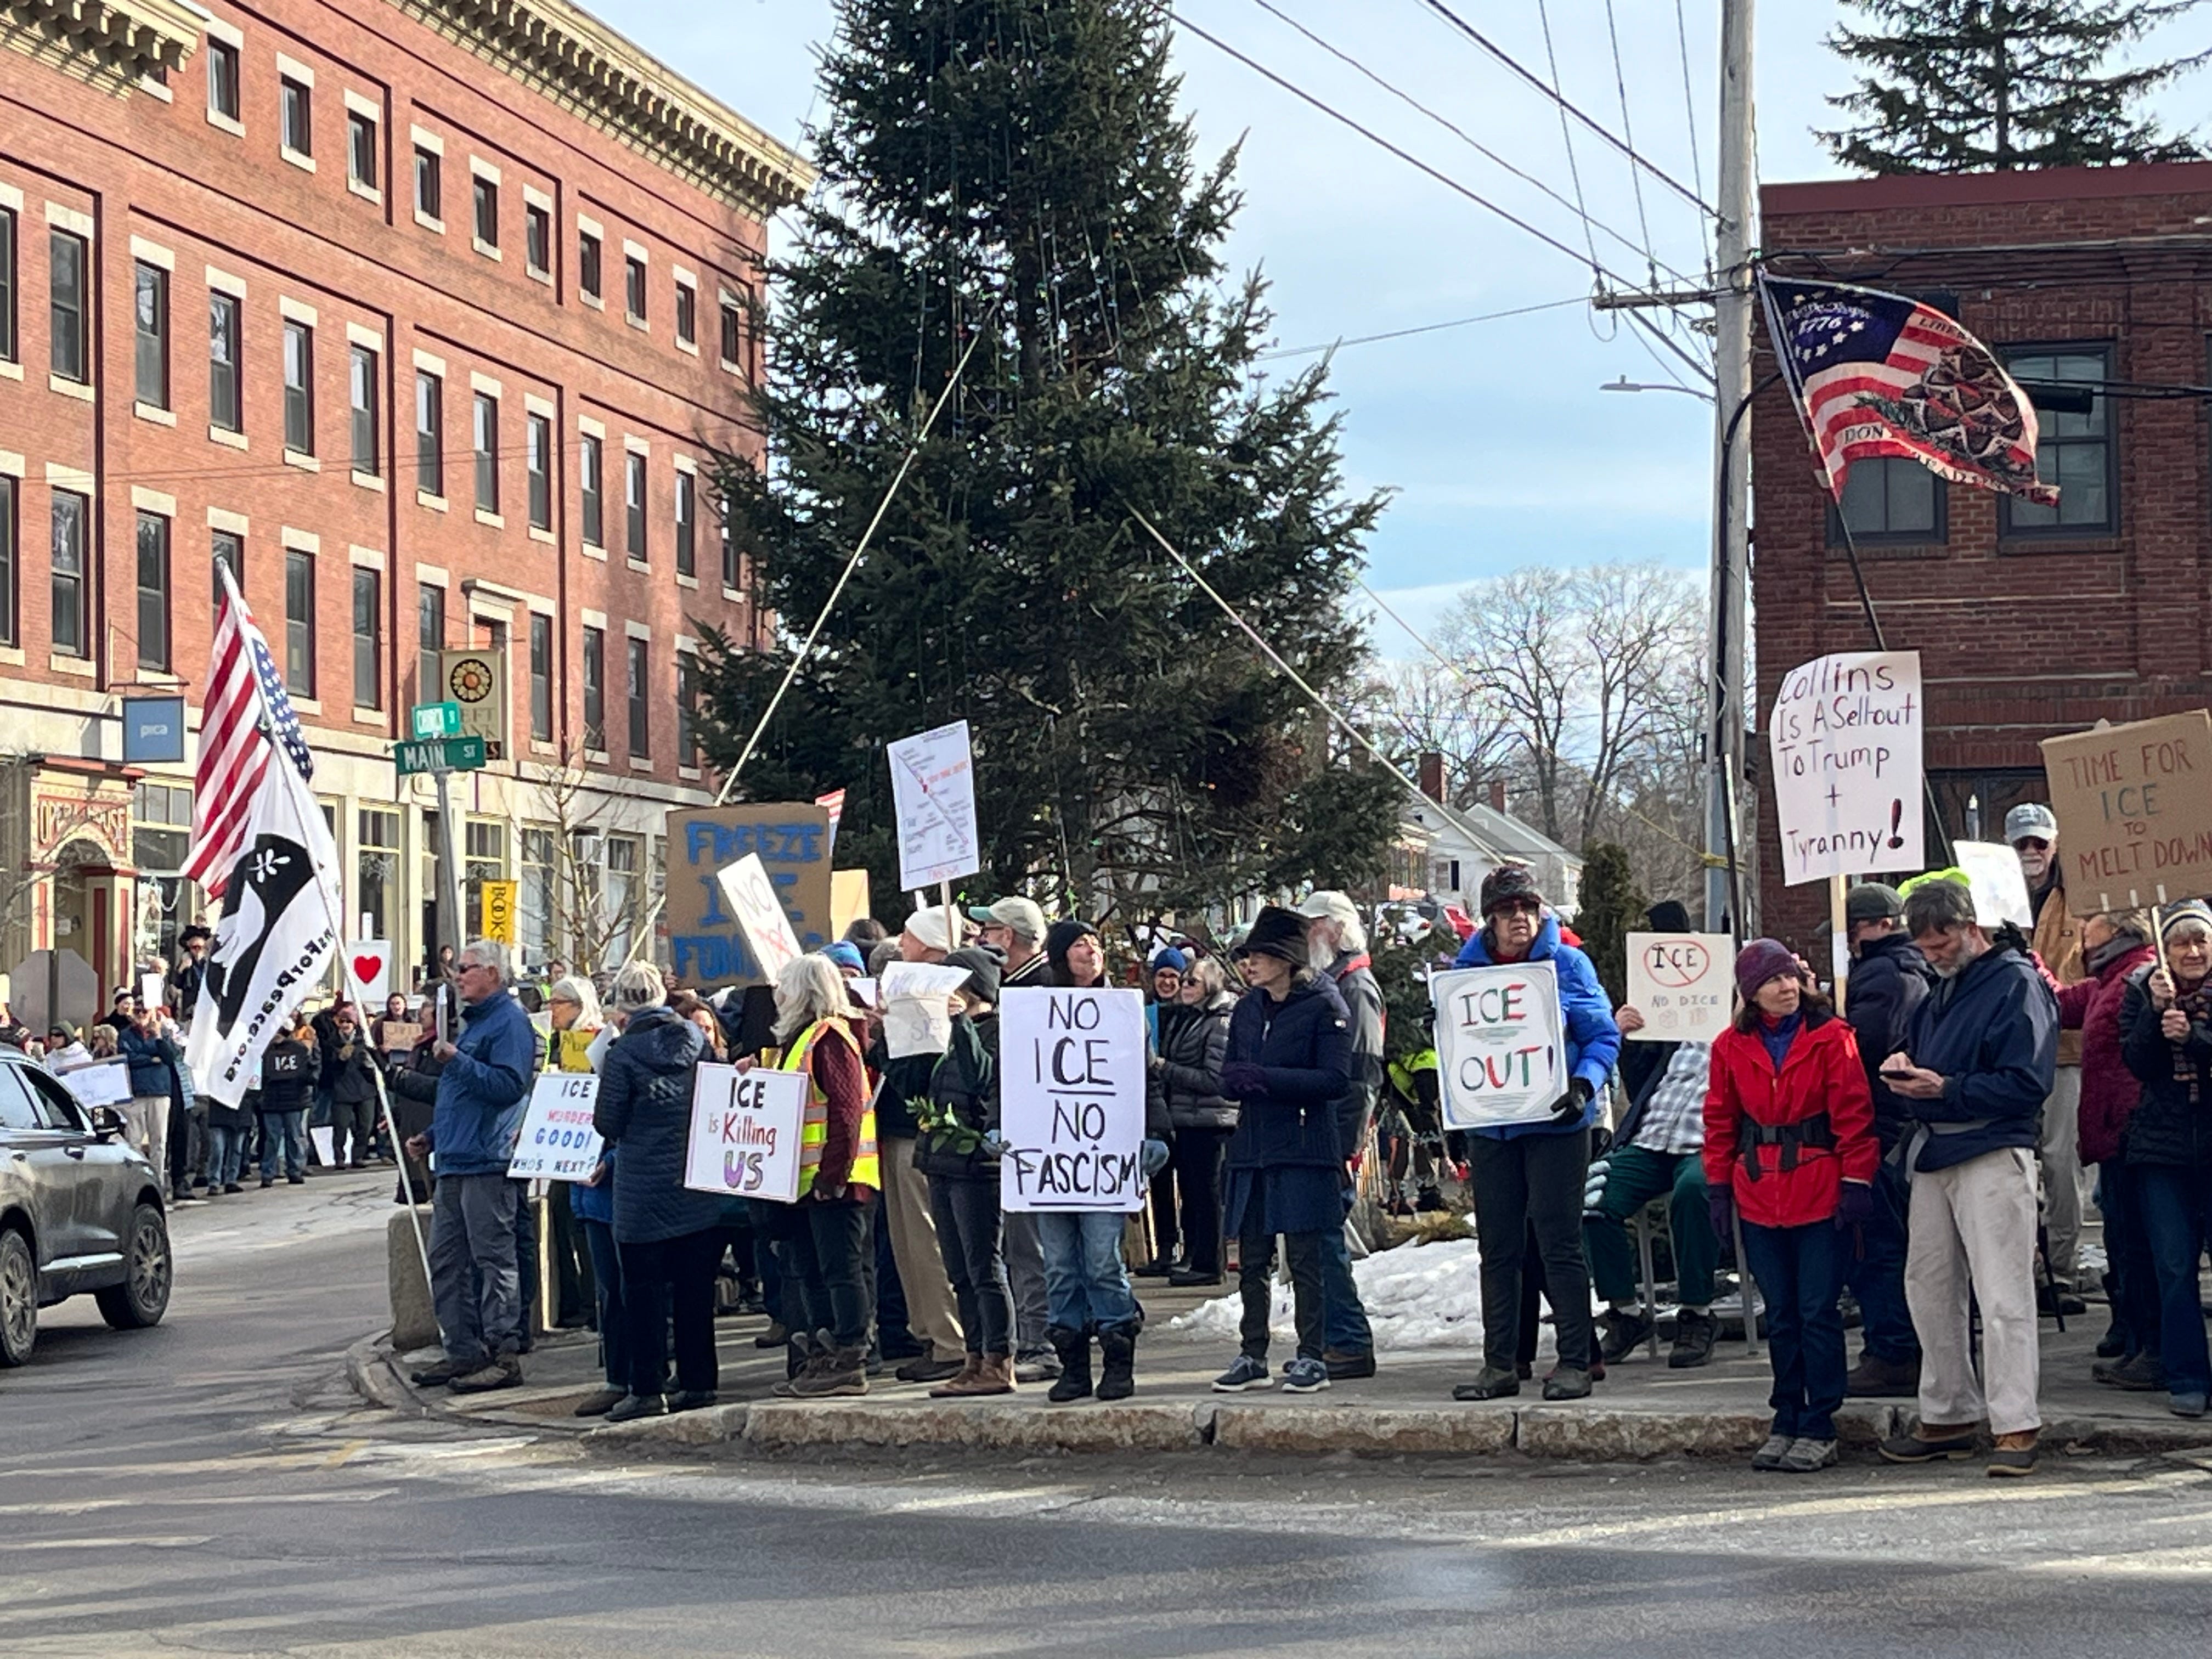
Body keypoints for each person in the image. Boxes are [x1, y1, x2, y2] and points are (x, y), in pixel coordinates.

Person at [1878, 877, 2057, 1477]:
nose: (1932, 956)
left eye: (1938, 944)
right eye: (1925, 949)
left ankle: (2016, 1422)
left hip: (1991, 1147)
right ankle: (1950, 1408)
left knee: (2004, 1294)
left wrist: (1944, 1088)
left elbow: (2029, 1083)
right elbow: (1933, 1057)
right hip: (1941, 1147)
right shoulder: (1942, 992)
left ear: (1970, 929)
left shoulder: (2016, 983)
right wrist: (1908, 1069)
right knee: (1928, 1287)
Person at [1449, 865, 1621, 1403]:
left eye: (1527, 908)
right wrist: (1454, 1113)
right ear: (1490, 919)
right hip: (1492, 1126)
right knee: (1498, 1248)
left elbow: (1603, 1036)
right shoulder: (1464, 972)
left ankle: (1574, 1361)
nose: (1518, 918)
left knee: (1559, 1243)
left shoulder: (1567, 964)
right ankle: (1499, 1363)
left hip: (1556, 1123)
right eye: (1507, 910)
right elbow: (1457, 1047)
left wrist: (1584, 1086)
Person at [1705, 941, 1878, 1473]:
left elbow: (1854, 1114)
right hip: (1759, 1191)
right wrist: (1717, 1186)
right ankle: (1786, 1413)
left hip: (1818, 1187)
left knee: (1816, 1312)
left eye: (1790, 978)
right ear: (1750, 993)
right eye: (1772, 981)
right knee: (1779, 1315)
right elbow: (1720, 1120)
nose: (1786, 988)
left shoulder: (1832, 1038)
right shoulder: (1730, 1047)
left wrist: (1857, 1182)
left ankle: (1820, 1421)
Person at [1209, 906, 1351, 1396]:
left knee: (1306, 1258)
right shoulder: (1247, 1008)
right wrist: (1233, 1081)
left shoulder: (1322, 1007)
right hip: (1253, 1145)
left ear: (1287, 960)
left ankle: (1312, 1354)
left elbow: (1335, 1079)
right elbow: (1232, 1067)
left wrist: (1268, 1080)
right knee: (1251, 1256)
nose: (1251, 964)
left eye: (1262, 956)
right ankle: (1252, 1352)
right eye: (1249, 956)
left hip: (1304, 1145)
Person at [1586, 905, 1720, 1370]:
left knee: (1694, 1191)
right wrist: (1626, 1036)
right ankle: (1625, 1313)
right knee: (1591, 1197)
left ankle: (1698, 1313)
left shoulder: (1740, 1032)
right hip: (1650, 1138)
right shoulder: (1673, 1034)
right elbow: (1638, 1079)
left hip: (1706, 1143)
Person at [404, 941, 538, 1395]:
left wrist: (457, 1060)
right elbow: (459, 1097)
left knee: (493, 1258)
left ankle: (504, 1352)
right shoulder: (477, 1023)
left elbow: (509, 1087)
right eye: (457, 969)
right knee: (446, 1259)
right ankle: (462, 1350)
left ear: (493, 975)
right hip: (457, 1158)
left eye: (466, 969)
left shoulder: (510, 1023)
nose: (458, 976)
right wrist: (435, 1137)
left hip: (487, 1159)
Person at [591, 962, 721, 1422]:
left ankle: (647, 1388)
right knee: (695, 1291)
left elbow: (608, 1122)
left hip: (643, 1188)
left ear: (624, 1007)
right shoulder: (696, 1039)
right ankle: (699, 1382)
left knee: (642, 1293)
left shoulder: (623, 1054)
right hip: (695, 1183)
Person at [1029, 918, 1148, 1402]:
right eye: (1079, 943)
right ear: (1061, 956)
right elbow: (1018, 1077)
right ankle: (1073, 1365)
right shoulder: (1035, 1013)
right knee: (1059, 1265)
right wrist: (1004, 1126)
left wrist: (1153, 1134)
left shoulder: (1122, 1011)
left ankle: (1119, 1362)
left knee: (1102, 1261)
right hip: (1051, 1161)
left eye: (1095, 943)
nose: (1091, 950)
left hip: (1103, 1157)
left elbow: (1146, 1075)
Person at [763, 953, 879, 1399]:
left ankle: (849, 1355)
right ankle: (826, 1348)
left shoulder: (828, 1039)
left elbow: (846, 1112)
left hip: (835, 1183)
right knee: (813, 1270)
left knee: (840, 1270)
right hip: (807, 1184)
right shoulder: (802, 1040)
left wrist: (833, 1174)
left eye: (785, 987)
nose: (779, 996)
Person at [864, 907, 969, 1384]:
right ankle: (927, 1332)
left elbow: (923, 1070)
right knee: (907, 1244)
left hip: (919, 1132)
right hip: (896, 1129)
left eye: (907, 938)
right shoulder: (906, 991)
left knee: (927, 1242)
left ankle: (950, 1340)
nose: (900, 946)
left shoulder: (940, 993)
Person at [2118, 901, 2212, 1419]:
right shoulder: (2143, 990)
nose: (2193, 951)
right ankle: (2188, 1376)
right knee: (2173, 1267)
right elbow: (2136, 1061)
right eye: (2182, 943)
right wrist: (2156, 1016)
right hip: (2163, 1149)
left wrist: (2194, 1039)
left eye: (2201, 941)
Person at [1839, 881, 1932, 1396]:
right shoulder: (1915, 969)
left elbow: (1860, 1049)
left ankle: (1893, 1349)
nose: (1850, 939)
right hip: (1900, 1120)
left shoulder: (1883, 975)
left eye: (1854, 928)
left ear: (1878, 926)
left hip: (1878, 1123)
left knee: (1877, 1243)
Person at [2062, 910, 2159, 1389]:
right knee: (2124, 1243)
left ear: (2117, 930)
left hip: (2130, 1133)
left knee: (2138, 1244)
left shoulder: (2136, 977)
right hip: (2114, 1132)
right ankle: (2137, 1338)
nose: (2082, 925)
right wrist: (2025, 959)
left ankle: (2150, 1348)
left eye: (2092, 920)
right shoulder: (2107, 977)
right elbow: (2062, 1003)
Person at [914, 946, 1017, 1396]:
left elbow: (980, 1079)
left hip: (978, 1165)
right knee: (957, 1268)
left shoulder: (994, 1032)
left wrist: (960, 1024)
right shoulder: (949, 1033)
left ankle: (999, 1357)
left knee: (984, 1265)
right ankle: (974, 1356)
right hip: (943, 1160)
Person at [1291, 890, 1380, 1380]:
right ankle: (1332, 1340)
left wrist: (1346, 1146)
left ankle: (1347, 1341)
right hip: (1322, 1135)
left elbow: (1362, 1074)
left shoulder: (1355, 988)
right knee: (1318, 1242)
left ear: (1337, 930)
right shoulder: (1332, 983)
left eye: (1313, 926)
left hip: (1334, 1140)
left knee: (1326, 1242)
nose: (1307, 937)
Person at [967, 894, 1055, 1379]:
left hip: (1041, 1140)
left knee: (1031, 1247)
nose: (982, 937)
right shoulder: (1016, 989)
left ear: (1009, 937)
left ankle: (1041, 1340)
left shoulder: (1038, 989)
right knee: (1023, 1247)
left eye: (990, 930)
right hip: (1022, 1135)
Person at [2010, 802, 2088, 1313]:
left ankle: (2062, 1266)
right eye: (2023, 843)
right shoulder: (1994, 897)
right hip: (2013, 1054)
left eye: (2040, 842)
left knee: (2061, 1162)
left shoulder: (2078, 898)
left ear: (2056, 843)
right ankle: (2025, 1267)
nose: (2032, 852)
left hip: (2064, 1050)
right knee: (2016, 1166)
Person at [1153, 956, 1237, 1287]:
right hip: (1188, 1117)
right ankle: (1198, 1258)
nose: (1184, 986)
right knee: (1194, 1192)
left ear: (1212, 985)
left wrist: (1163, 1067)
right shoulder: (1190, 1018)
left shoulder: (1219, 1023)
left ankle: (1210, 1263)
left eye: (1193, 982)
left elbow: (1215, 1079)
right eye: (1185, 979)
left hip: (1210, 1119)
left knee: (1207, 1193)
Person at [544, 976, 603, 1335]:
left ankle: (591, 1302)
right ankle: (572, 1303)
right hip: (561, 1146)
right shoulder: (554, 1042)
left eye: (558, 1003)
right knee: (561, 1218)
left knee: (585, 1228)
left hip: (589, 1148)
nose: (551, 1010)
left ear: (579, 1006)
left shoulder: (597, 1041)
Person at [1132, 946, 1188, 1278]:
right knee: (1160, 1183)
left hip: (1184, 1106)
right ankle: (1165, 1248)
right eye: (1162, 976)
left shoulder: (1190, 1012)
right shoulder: (1144, 1011)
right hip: (1155, 1108)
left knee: (1192, 1187)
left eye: (1173, 977)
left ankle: (1189, 1248)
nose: (1168, 983)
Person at [116, 1005, 179, 1187]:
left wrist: (158, 1037)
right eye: (138, 1011)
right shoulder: (126, 1034)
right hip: (136, 1093)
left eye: (145, 1011)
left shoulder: (163, 1033)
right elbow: (127, 1058)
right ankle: (136, 1182)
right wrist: (152, 1059)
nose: (141, 1015)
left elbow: (170, 1057)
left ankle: (157, 1182)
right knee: (133, 1140)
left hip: (160, 1092)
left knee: (158, 1141)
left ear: (152, 1013)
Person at [256, 1019, 314, 1186]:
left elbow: (308, 1073)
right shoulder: (264, 1051)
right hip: (272, 1101)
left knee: (293, 1138)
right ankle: (268, 1173)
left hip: (293, 1100)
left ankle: (294, 1171)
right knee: (273, 1139)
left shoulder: (298, 1049)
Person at [325, 1008, 381, 1168]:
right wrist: (340, 1059)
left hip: (365, 1088)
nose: (345, 1025)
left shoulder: (364, 1040)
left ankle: (358, 1156)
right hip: (342, 1088)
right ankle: (339, 1158)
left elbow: (375, 1062)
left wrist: (369, 1063)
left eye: (349, 1021)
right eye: (342, 1021)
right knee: (341, 1126)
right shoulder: (332, 1041)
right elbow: (328, 1067)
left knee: (366, 1125)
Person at [168, 926, 212, 1022]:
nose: (196, 950)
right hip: (190, 1005)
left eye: (199, 947)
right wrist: (182, 968)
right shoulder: (186, 961)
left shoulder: (210, 962)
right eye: (193, 947)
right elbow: (176, 983)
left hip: (207, 1003)